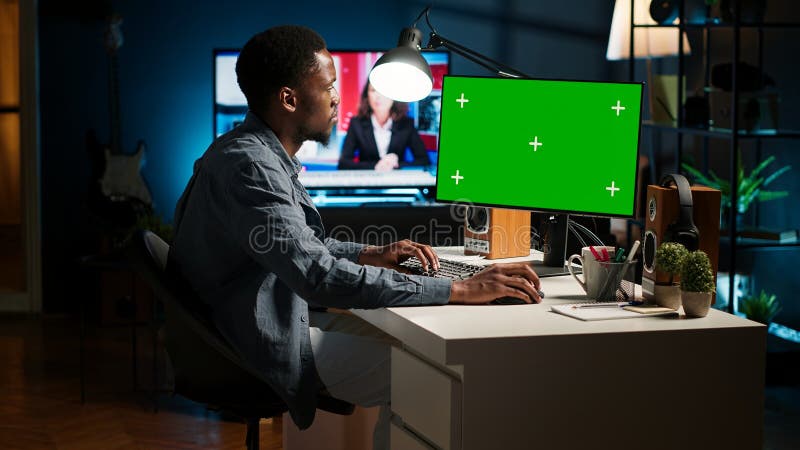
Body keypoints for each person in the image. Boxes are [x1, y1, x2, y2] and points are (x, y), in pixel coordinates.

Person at [169, 25, 541, 449]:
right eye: (328, 86)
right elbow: (317, 276)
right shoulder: (252, 168)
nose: (338, 97)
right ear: (289, 99)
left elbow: (301, 247)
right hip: (253, 340)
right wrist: (459, 288)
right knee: (421, 375)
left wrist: (372, 253)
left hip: (255, 320)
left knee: (419, 348)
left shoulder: (255, 152)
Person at [337, 81, 430, 170]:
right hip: (367, 183)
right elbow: (343, 163)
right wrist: (376, 166)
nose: (378, 96)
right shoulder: (356, 123)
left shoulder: (406, 124)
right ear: (367, 95)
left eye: (384, 90)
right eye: (373, 90)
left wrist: (395, 165)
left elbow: (424, 161)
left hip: (396, 183)